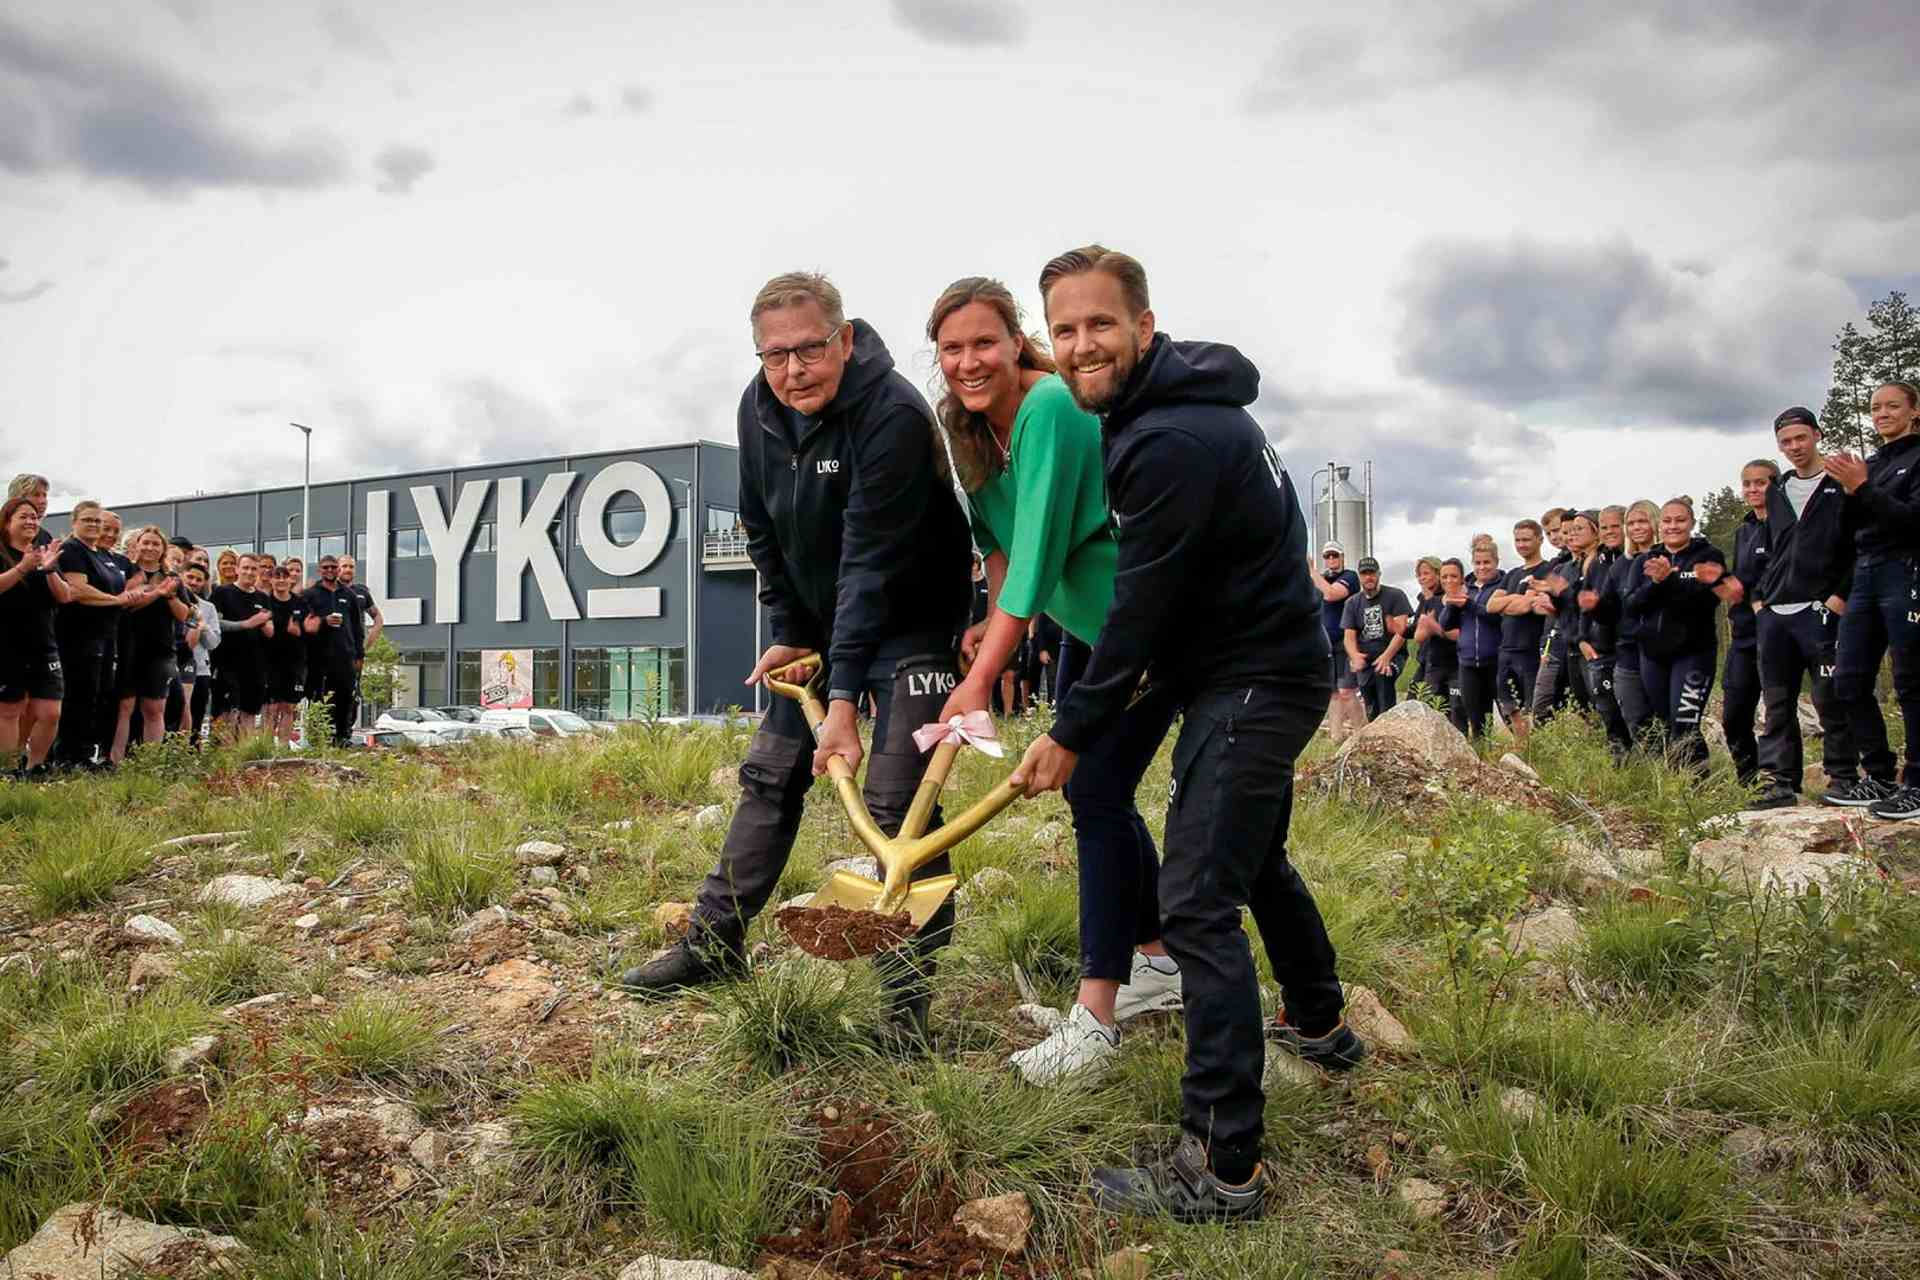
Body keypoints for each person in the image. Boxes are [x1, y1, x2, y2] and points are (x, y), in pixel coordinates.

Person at [1009, 245, 1356, 1223]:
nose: (1083, 344)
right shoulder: (1168, 408)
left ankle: (1221, 1163)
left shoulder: (1166, 438)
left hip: (1254, 680)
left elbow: (1140, 605)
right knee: (1254, 854)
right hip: (1255, 668)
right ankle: (1321, 1019)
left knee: (1198, 897)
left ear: (1144, 328)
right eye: (1066, 329)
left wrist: (1072, 731)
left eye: (1102, 325)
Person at [621, 269, 973, 1055]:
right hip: (820, 629)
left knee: (896, 801)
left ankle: (906, 1004)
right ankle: (713, 946)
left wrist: (842, 701)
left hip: (911, 623)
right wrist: (786, 627)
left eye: (810, 350)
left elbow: (871, 564)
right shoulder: (760, 404)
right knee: (769, 774)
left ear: (843, 340)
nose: (793, 372)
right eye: (774, 356)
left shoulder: (894, 417)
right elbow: (759, 525)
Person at [913, 276, 1184, 1086]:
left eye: (983, 342)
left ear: (1016, 339)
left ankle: (1094, 1020)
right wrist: (990, 621)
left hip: (1141, 632)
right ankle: (1161, 965)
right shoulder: (965, 427)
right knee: (1098, 795)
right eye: (952, 349)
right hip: (1087, 633)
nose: (969, 361)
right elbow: (1000, 549)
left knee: (1096, 792)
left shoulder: (1052, 409)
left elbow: (1036, 552)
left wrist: (984, 673)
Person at [1749, 410, 1861, 810]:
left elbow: (1858, 542)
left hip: (1822, 608)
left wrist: (1838, 595)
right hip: (1777, 612)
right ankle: (1780, 783)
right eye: (1786, 441)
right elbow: (1773, 548)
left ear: (1816, 435)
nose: (1794, 447)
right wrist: (1760, 599)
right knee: (1778, 703)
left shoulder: (1839, 482)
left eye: (1801, 438)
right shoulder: (1778, 490)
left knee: (1830, 698)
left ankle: (1844, 778)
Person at [1823, 382, 1920, 819]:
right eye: (1875, 407)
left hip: (1907, 569)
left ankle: (1917, 784)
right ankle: (1879, 775)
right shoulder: (1873, 463)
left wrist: (1862, 488)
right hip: (1865, 573)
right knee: (1848, 679)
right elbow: (1849, 532)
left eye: (1893, 405)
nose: (1882, 413)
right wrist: (1849, 494)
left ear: (1914, 411)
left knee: (1912, 681)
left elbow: (1912, 522)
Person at [1624, 498, 1727, 770]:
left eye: (1680, 520)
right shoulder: (1645, 560)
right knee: (1667, 721)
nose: (1673, 526)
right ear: (1660, 525)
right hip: (1654, 656)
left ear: (1691, 523)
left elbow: (1707, 599)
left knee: (1685, 721)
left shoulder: (1709, 555)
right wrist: (1657, 584)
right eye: (1667, 521)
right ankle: (1678, 784)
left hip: (1694, 653)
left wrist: (1669, 579)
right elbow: (1632, 603)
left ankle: (1697, 787)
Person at [51, 502, 131, 771]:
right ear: (74, 522)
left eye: (97, 521)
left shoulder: (101, 554)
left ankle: (86, 755)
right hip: (78, 636)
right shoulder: (72, 550)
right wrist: (115, 600)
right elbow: (78, 590)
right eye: (87, 520)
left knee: (98, 696)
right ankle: (67, 756)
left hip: (106, 636)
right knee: (79, 696)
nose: (94, 526)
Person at [0, 496, 72, 776]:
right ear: (7, 523)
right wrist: (23, 567)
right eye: (24, 516)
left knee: (50, 712)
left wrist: (50, 569)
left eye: (34, 517)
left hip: (44, 644)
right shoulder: (4, 553)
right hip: (7, 644)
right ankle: (7, 772)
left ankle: (34, 766)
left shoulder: (45, 555)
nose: (31, 521)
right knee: (10, 710)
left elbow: (65, 596)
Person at [1719, 463, 1776, 790]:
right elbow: (1741, 576)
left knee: (1776, 714)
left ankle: (1780, 781)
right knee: (1734, 714)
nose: (1753, 490)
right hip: (1742, 632)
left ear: (1775, 485)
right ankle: (1748, 783)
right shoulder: (1744, 530)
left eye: (1761, 483)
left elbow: (1784, 572)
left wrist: (1754, 594)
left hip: (1775, 628)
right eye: (1747, 484)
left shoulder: (1788, 524)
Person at [112, 526, 191, 756]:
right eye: (145, 542)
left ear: (163, 549)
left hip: (160, 649)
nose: (150, 547)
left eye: (155, 544)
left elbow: (184, 614)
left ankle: (150, 762)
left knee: (155, 708)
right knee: (125, 706)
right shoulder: (126, 571)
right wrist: (154, 592)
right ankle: (115, 760)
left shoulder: (172, 578)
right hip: (127, 645)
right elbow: (124, 604)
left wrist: (170, 596)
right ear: (137, 545)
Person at [1570, 509, 1630, 757]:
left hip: (1629, 647)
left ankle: (1648, 763)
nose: (1610, 532)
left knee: (1632, 709)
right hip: (1600, 648)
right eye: (1605, 527)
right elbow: (1585, 603)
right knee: (1607, 709)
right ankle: (1621, 762)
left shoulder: (1633, 560)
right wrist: (1582, 638)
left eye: (1615, 526)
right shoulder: (1598, 563)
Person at [1486, 519, 1549, 742]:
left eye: (1526, 539)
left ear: (1539, 540)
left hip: (1530, 649)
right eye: (1517, 540)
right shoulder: (1512, 574)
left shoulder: (1547, 569)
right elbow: (1491, 605)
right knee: (1508, 704)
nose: (1521, 544)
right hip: (1506, 649)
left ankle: (1535, 749)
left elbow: (1524, 608)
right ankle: (1522, 746)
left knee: (1533, 707)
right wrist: (1518, 598)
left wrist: (1512, 603)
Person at [1604, 499, 1660, 744]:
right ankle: (1653, 774)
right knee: (1635, 717)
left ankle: (1685, 774)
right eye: (1631, 522)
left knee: (1666, 718)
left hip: (1663, 651)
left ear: (1655, 522)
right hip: (1627, 651)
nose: (1636, 527)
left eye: (1642, 521)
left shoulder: (1670, 557)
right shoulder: (1619, 566)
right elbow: (1608, 608)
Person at [1443, 539, 1505, 739]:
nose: (1482, 567)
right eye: (1477, 563)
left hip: (1496, 660)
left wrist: (1468, 605)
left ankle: (1526, 756)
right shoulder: (1465, 588)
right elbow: (1446, 624)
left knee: (1509, 714)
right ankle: (1482, 760)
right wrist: (1453, 603)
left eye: (1487, 562)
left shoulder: (1502, 586)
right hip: (1468, 662)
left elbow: (1497, 617)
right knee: (1476, 720)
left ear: (1496, 562)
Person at [211, 554, 273, 743]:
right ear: (237, 569)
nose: (249, 572)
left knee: (250, 711)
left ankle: (243, 755)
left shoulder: (262, 597)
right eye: (245, 567)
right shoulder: (222, 592)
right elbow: (215, 623)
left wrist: (264, 624)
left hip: (255, 664)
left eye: (254, 569)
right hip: (227, 662)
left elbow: (270, 631)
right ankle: (223, 755)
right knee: (226, 711)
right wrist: (247, 623)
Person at [1341, 556, 1412, 721]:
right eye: (1364, 573)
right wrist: (1354, 655)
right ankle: (1374, 732)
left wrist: (1386, 657)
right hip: (1366, 658)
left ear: (1379, 574)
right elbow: (1348, 637)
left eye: (1372, 573)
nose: (1368, 577)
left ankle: (1391, 729)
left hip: (1393, 654)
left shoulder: (1395, 595)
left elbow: (1402, 631)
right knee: (1369, 699)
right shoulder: (1352, 603)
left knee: (1383, 677)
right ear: (1359, 576)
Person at [303, 555, 361, 746]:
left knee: (345, 697)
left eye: (333, 567)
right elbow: (305, 625)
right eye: (326, 567)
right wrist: (323, 621)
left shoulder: (349, 595)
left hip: (345, 655)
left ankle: (343, 737)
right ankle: (318, 738)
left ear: (338, 569)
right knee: (319, 698)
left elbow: (357, 627)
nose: (330, 570)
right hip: (319, 657)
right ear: (319, 570)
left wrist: (359, 654)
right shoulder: (310, 595)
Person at [1313, 543, 1363, 741]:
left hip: (1345, 641)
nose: (1331, 560)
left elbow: (1332, 594)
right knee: (1332, 693)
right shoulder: (1322, 579)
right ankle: (1336, 737)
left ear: (1342, 557)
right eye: (1327, 556)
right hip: (1326, 642)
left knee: (1346, 691)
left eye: (1335, 555)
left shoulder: (1349, 577)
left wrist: (1312, 571)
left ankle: (1361, 734)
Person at [264, 565, 311, 747]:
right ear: (271, 580)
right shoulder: (265, 601)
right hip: (270, 662)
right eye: (277, 577)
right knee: (271, 708)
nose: (281, 580)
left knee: (289, 707)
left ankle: (283, 748)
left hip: (295, 662)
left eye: (285, 577)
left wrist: (299, 632)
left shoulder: (300, 603)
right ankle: (266, 747)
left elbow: (312, 631)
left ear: (291, 580)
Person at [1413, 557, 1463, 708]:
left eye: (1453, 576)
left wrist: (1436, 629)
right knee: (1431, 711)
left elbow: (1463, 634)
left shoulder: (1465, 601)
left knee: (1456, 711)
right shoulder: (1431, 602)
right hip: (1434, 664)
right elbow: (1418, 637)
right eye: (1445, 577)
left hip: (1458, 665)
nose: (1448, 580)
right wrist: (1424, 626)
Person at [181, 561, 220, 746]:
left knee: (196, 717)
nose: (194, 582)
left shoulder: (208, 607)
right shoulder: (172, 600)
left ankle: (192, 753)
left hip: (200, 670)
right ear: (182, 576)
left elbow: (213, 643)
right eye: (190, 577)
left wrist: (203, 628)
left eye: (199, 579)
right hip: (175, 667)